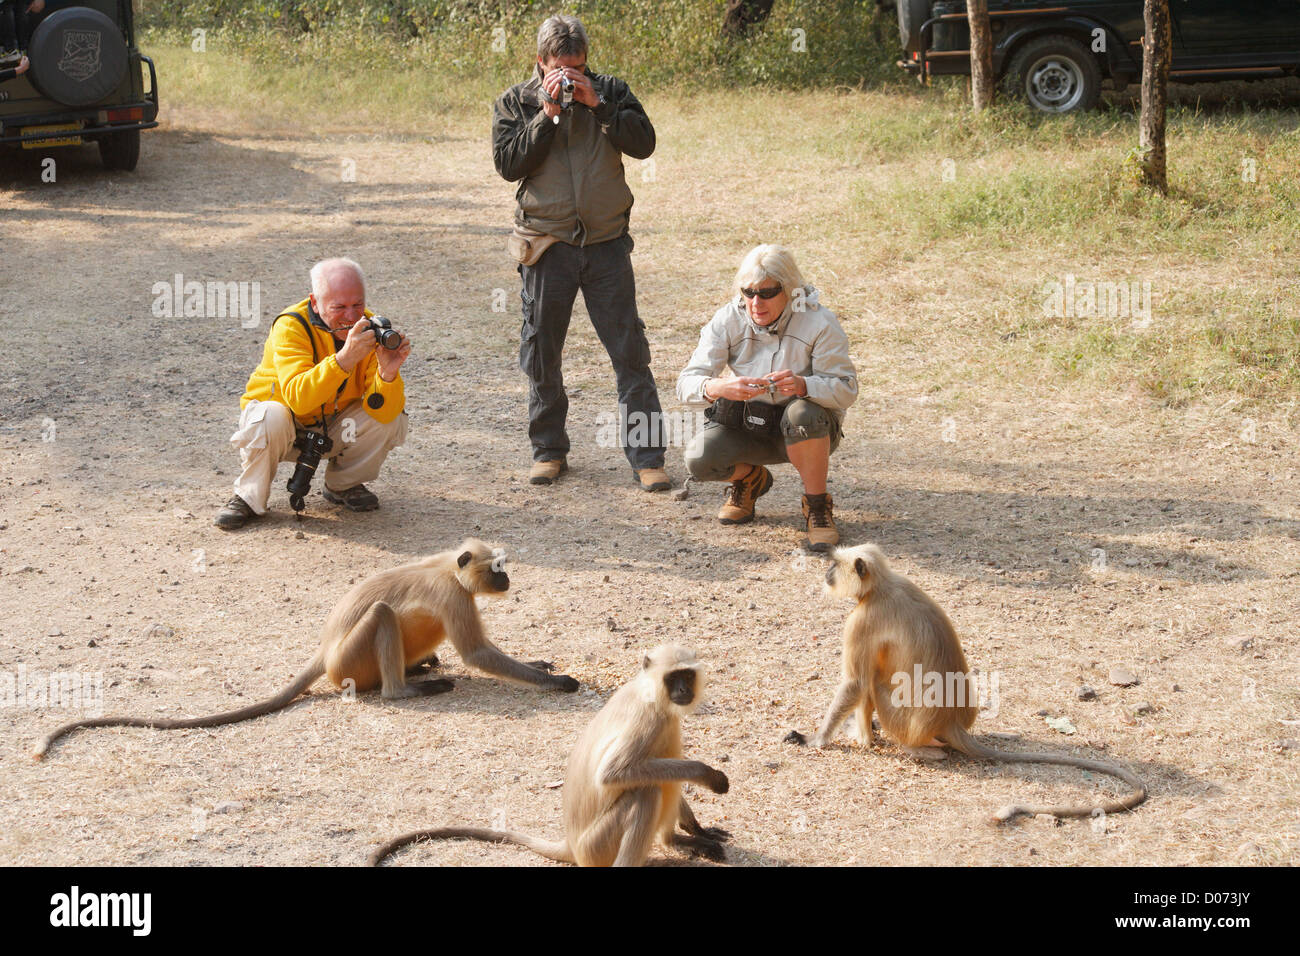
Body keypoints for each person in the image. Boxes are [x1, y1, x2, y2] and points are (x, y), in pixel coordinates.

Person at [491, 14, 671, 492]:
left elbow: (645, 144)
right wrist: (547, 115)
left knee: (630, 354)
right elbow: (509, 165)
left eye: (578, 68)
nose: (571, 78)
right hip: (547, 246)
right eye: (561, 69)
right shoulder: (516, 101)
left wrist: (602, 106)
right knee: (543, 354)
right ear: (540, 62)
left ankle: (648, 458)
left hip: (606, 244)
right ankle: (549, 450)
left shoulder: (609, 89)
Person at [676, 245, 858, 551]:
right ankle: (749, 481)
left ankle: (817, 507)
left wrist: (803, 385)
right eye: (748, 293)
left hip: (806, 430)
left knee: (803, 413)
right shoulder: (727, 319)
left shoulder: (821, 322)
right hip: (750, 426)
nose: (755, 303)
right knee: (699, 460)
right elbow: (685, 384)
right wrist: (719, 387)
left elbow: (846, 389)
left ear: (789, 290)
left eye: (767, 293)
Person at [214, 258, 411, 530]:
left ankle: (344, 485)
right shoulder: (291, 326)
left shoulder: (370, 329)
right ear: (315, 303)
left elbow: (385, 413)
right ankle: (248, 497)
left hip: (334, 429)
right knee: (270, 415)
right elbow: (299, 398)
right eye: (339, 307)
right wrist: (345, 359)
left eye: (358, 305)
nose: (352, 316)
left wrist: (387, 374)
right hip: (287, 427)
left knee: (394, 417)